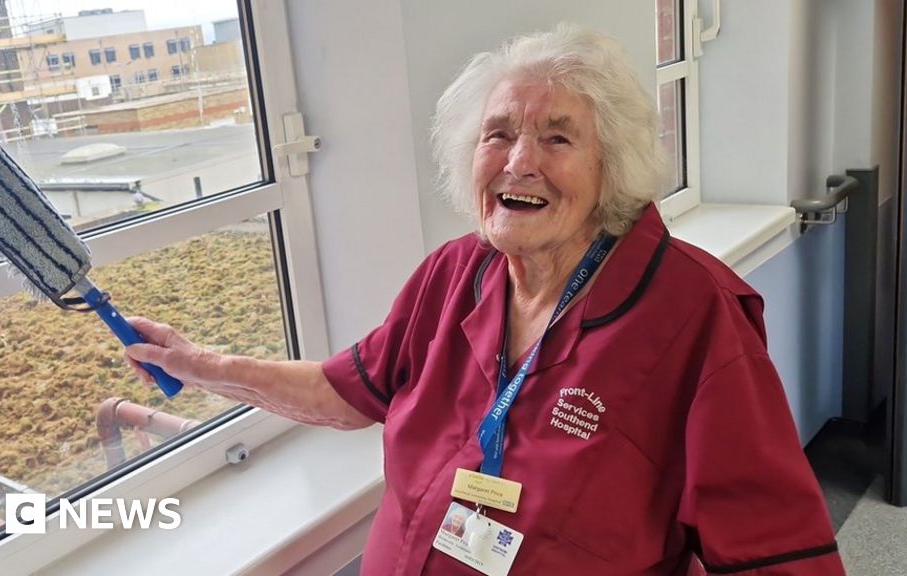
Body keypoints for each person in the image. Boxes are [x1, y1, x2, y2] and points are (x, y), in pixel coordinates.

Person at [125, 22, 845, 575]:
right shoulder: (454, 274)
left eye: (557, 138)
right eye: (498, 135)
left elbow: (776, 554)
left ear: (611, 165)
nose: (519, 161)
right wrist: (201, 365)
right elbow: (344, 393)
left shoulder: (694, 313)